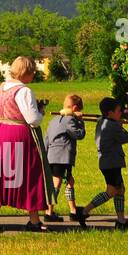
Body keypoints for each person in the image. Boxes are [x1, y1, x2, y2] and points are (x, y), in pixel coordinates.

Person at [0, 56, 47, 233]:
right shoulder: (24, 91)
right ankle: (34, 220)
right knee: (29, 174)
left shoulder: (0, 88)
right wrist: (41, 113)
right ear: (26, 73)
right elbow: (32, 119)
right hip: (18, 134)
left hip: (1, 131)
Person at [75, 97, 128, 230]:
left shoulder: (102, 121)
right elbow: (126, 138)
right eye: (119, 111)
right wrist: (120, 125)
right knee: (112, 191)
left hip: (108, 162)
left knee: (120, 190)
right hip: (111, 162)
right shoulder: (112, 125)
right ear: (110, 113)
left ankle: (121, 220)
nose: (121, 114)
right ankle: (84, 211)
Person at [44, 94, 86, 222]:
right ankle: (49, 212)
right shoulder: (69, 120)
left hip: (52, 155)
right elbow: (79, 134)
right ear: (74, 108)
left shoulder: (54, 120)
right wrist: (80, 121)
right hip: (62, 156)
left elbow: (47, 138)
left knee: (69, 181)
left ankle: (73, 210)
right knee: (56, 183)